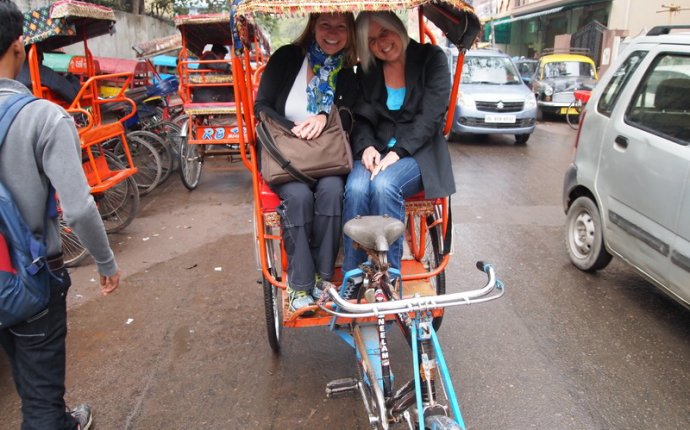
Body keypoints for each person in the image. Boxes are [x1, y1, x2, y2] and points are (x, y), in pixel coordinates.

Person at [0, 1, 121, 428]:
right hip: (30, 280)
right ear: (19, 46)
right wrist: (106, 263)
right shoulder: (44, 118)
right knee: (39, 398)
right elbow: (80, 208)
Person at [254, 12, 358, 312]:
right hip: (287, 153)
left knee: (332, 192)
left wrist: (324, 118)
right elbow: (262, 105)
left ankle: (323, 278)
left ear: (349, 32)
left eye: (341, 27)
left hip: (326, 156)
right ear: (313, 26)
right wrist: (293, 129)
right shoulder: (287, 57)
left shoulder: (349, 72)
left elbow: (351, 114)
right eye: (326, 25)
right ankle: (301, 284)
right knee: (298, 199)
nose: (333, 33)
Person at [342, 11, 455, 274]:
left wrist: (399, 151)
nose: (380, 43)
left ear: (398, 28)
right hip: (376, 150)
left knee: (384, 185)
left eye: (384, 33)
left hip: (418, 152)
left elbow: (431, 117)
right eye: (371, 41)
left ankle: (388, 278)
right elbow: (361, 116)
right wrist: (367, 146)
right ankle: (354, 274)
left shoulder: (431, 59)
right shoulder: (369, 69)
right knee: (356, 188)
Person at [16, 45, 81, 104]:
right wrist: (72, 78)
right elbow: (74, 96)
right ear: (37, 56)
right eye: (42, 59)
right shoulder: (41, 72)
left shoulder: (10, 72)